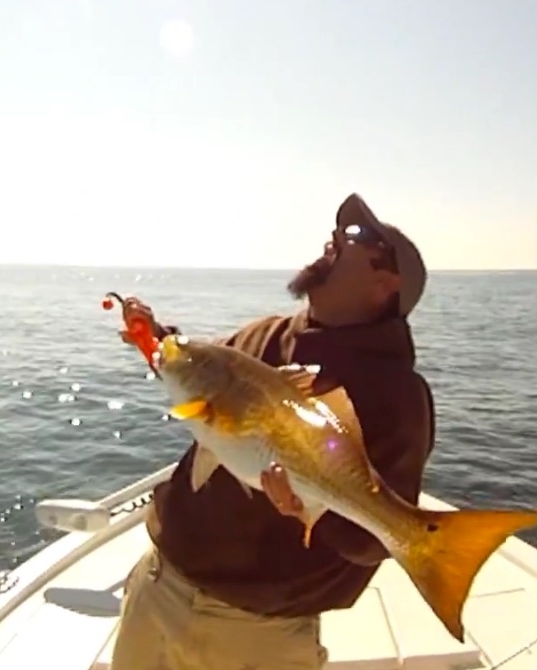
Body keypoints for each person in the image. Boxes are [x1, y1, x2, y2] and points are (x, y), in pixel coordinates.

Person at [109, 193, 436, 670]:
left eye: (356, 238)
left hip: (260, 637)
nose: (334, 239)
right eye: (339, 230)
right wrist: (155, 338)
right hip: (159, 588)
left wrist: (311, 509)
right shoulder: (265, 334)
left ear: (386, 281)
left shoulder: (396, 396)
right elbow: (199, 387)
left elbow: (374, 542)